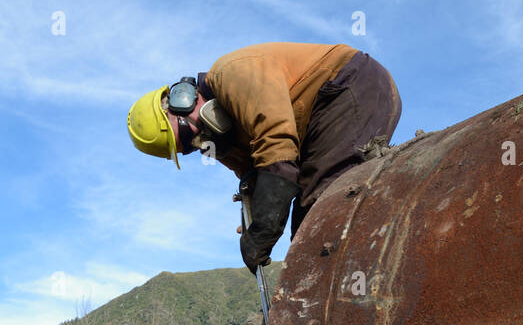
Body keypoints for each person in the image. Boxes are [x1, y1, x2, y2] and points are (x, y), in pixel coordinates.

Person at [127, 42, 402, 278]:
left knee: (321, 210)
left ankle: (322, 306)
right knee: (309, 224)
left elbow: (278, 155)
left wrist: (261, 233)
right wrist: (253, 219)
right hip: (318, 122)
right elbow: (256, 179)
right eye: (189, 144)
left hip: (347, 84)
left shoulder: (231, 73)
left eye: (188, 128)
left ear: (181, 97)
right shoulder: (223, 139)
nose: (199, 137)